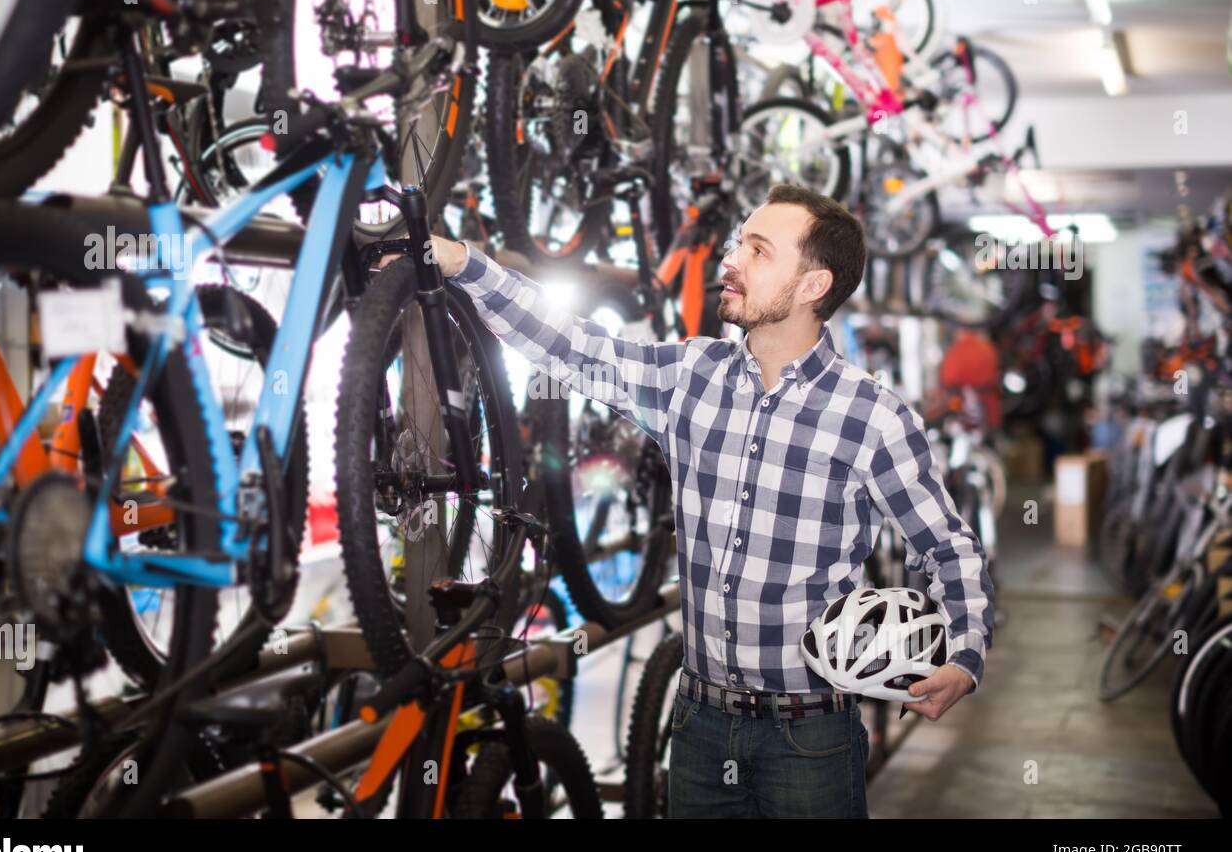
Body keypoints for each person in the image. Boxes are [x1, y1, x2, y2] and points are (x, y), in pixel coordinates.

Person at [418, 184, 995, 818]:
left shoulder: (872, 417)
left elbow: (947, 547)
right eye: (736, 243)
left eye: (758, 250)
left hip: (812, 739)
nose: (731, 260)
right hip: (699, 726)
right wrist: (461, 264)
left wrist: (965, 658)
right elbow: (573, 347)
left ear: (811, 286)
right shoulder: (691, 377)